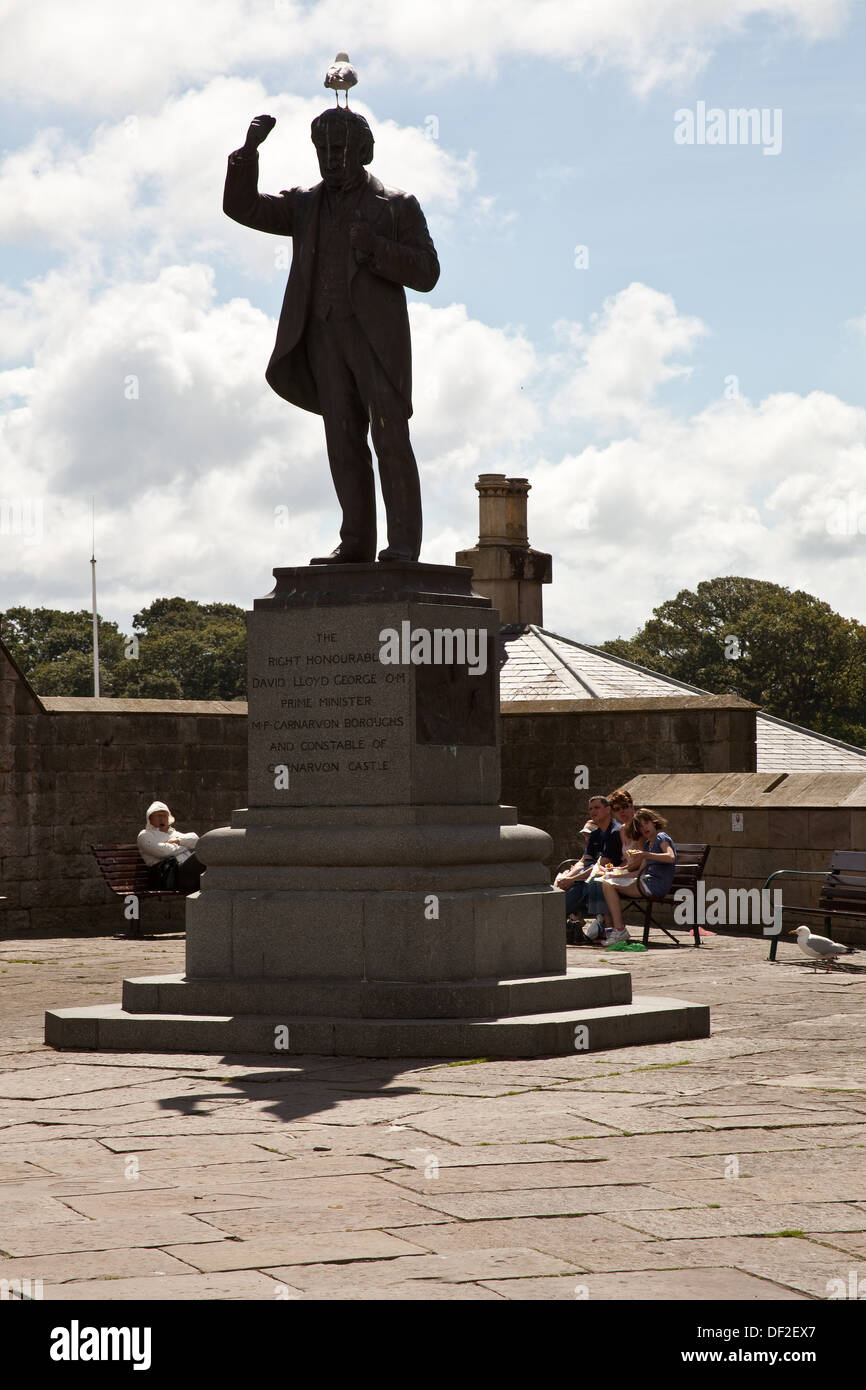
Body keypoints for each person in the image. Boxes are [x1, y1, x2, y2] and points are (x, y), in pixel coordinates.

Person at [223, 107, 440, 564]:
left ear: (364, 151)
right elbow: (244, 208)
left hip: (376, 342)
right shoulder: (305, 203)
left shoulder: (398, 205)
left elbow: (427, 273)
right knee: (342, 441)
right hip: (322, 336)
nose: (330, 158)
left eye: (339, 149)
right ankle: (356, 542)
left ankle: (403, 545)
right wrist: (247, 154)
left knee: (390, 439)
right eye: (322, 149)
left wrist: (376, 248)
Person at [600, 807, 677, 942]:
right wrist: (617, 876)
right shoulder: (648, 844)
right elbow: (639, 871)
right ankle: (615, 928)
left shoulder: (661, 837)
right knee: (607, 881)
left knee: (608, 885)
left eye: (646, 823)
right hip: (646, 881)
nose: (644, 828)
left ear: (654, 822)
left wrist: (645, 854)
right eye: (641, 827)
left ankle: (619, 930)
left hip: (655, 886)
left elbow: (671, 857)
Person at [554, 795, 623, 944]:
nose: (593, 811)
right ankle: (561, 929)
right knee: (558, 895)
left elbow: (601, 865)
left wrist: (572, 879)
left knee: (592, 883)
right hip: (588, 877)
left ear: (608, 809)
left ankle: (607, 930)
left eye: (597, 808)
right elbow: (584, 861)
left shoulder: (615, 832)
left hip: (609, 877)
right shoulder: (595, 835)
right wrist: (565, 879)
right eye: (590, 809)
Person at [137, 801, 204, 893]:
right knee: (202, 854)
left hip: (186, 874)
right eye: (159, 816)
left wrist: (179, 841)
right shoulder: (145, 835)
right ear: (150, 818)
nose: (162, 819)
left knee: (206, 852)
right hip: (169, 877)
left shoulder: (173, 833)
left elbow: (196, 839)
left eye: (165, 816)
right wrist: (185, 845)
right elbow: (162, 851)